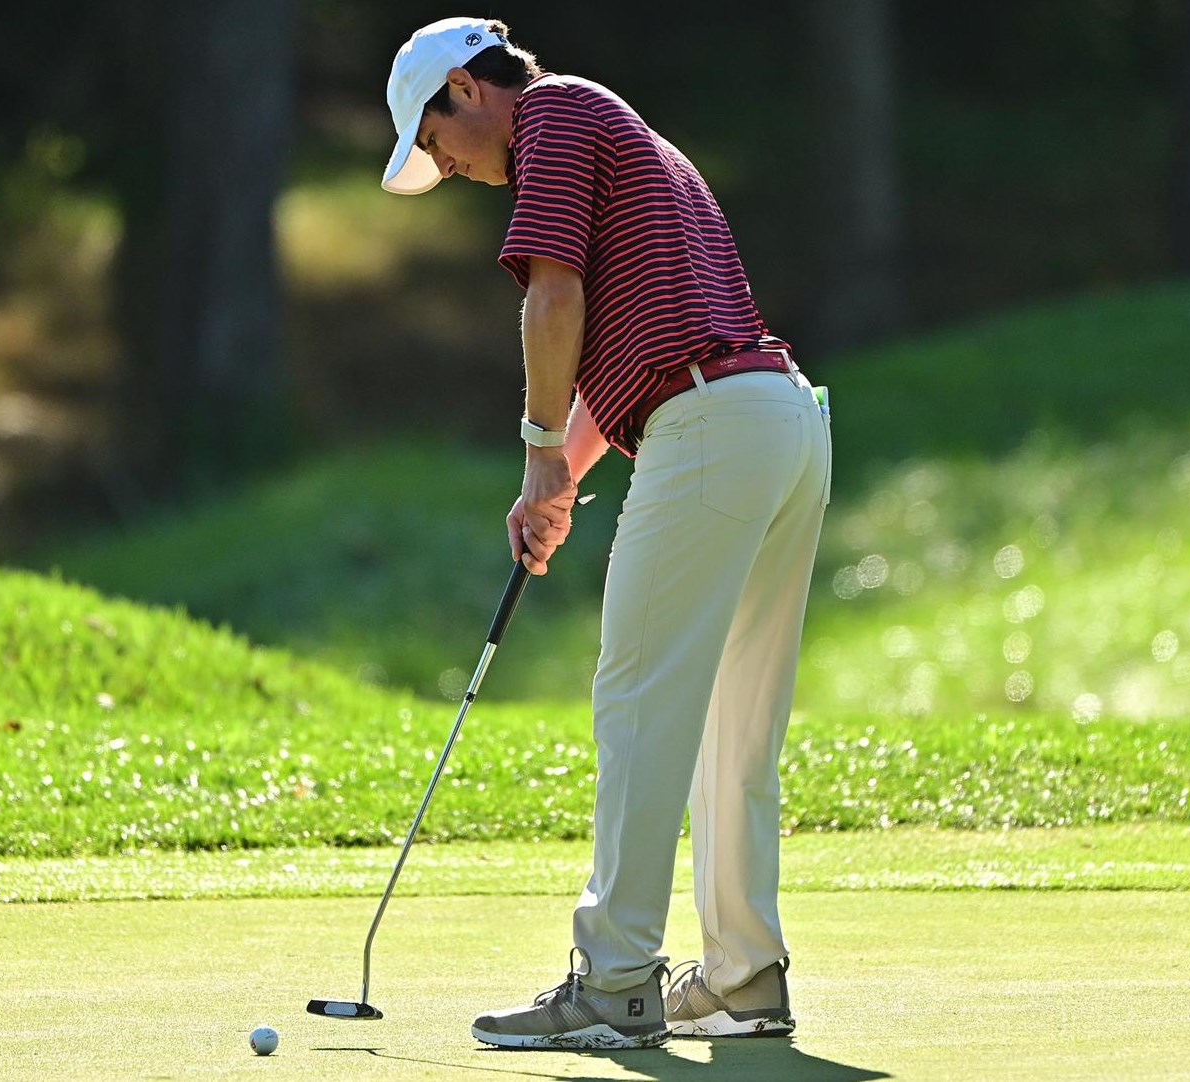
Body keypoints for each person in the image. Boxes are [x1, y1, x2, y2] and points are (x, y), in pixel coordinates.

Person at [380, 16, 832, 1050]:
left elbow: (552, 290)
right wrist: (556, 482)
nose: (447, 167)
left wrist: (537, 447)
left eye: (437, 139)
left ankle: (617, 975)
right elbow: (626, 347)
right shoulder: (605, 129)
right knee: (728, 716)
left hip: (714, 425)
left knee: (636, 696)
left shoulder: (551, 114)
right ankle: (741, 973)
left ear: (465, 87)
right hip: (774, 418)